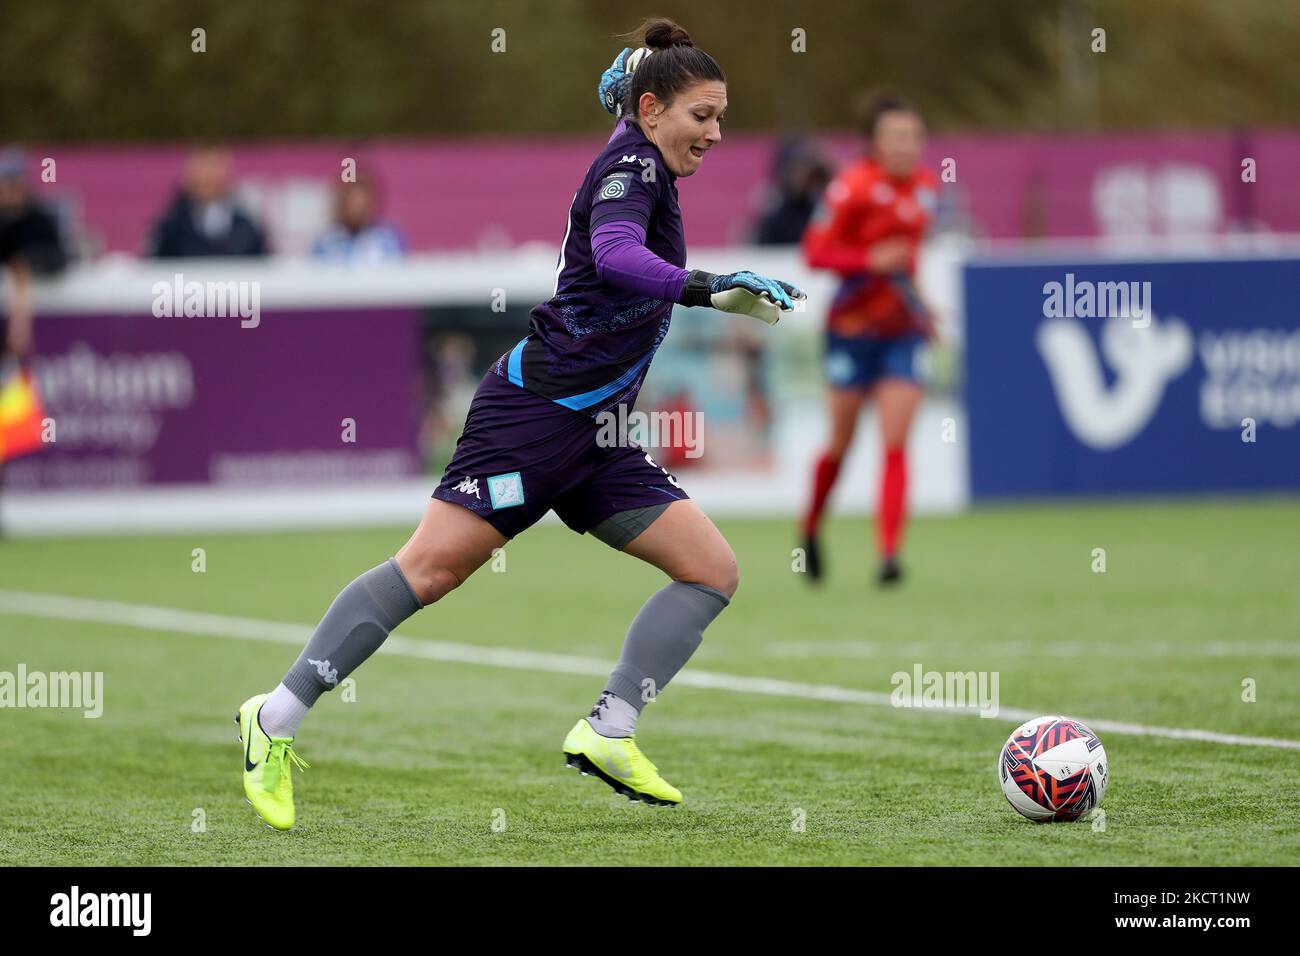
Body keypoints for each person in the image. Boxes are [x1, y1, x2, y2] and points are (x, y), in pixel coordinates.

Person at [236, 17, 805, 829]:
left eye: (721, 117)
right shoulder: (632, 166)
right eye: (702, 116)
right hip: (535, 419)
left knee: (711, 570)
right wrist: (706, 286)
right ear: (651, 110)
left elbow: (626, 237)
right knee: (428, 572)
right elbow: (613, 255)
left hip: (598, 437)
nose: (716, 133)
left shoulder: (642, 157)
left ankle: (610, 729)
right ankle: (273, 720)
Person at [799, 94, 938, 586]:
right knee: (840, 445)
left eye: (914, 137)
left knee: (896, 443)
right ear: (874, 143)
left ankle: (889, 556)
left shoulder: (925, 188)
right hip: (850, 331)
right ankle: (811, 528)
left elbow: (908, 259)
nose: (906, 146)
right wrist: (866, 262)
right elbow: (814, 254)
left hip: (901, 331)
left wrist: (924, 306)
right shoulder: (851, 187)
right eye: (895, 137)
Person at [148, 147, 268, 257]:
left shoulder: (246, 227)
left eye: (215, 166)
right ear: (188, 177)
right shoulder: (170, 228)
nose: (209, 175)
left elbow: (262, 268)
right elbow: (154, 269)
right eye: (202, 166)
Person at [311, 173, 407, 263]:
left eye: (362, 202)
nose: (357, 208)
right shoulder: (326, 241)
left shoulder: (389, 239)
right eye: (352, 201)